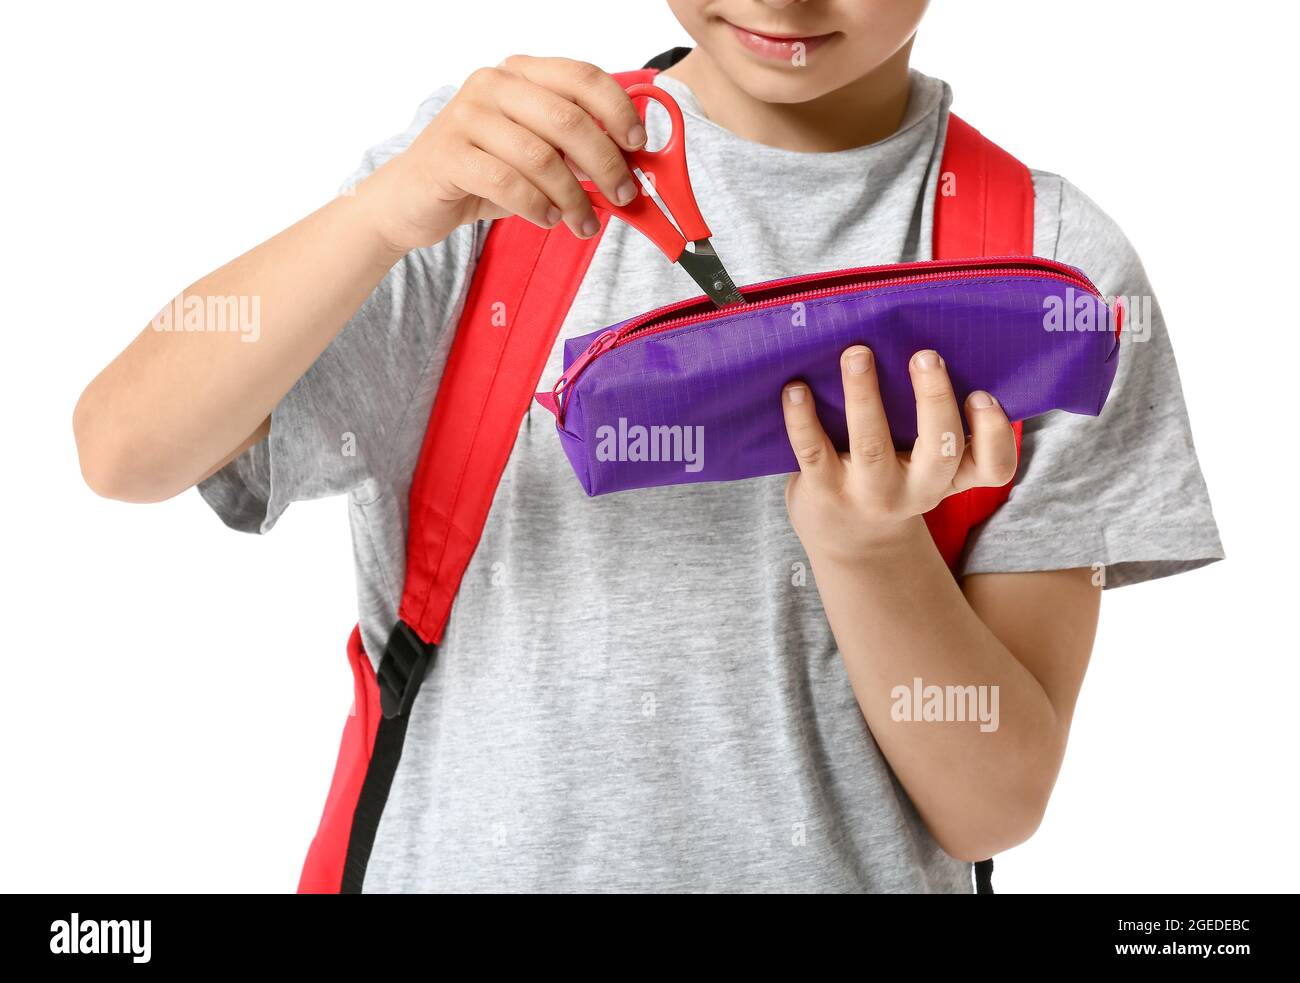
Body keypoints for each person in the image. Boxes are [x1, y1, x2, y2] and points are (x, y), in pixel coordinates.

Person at [72, 0, 1223, 892]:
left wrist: (870, 552)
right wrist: (385, 213)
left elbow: (992, 801)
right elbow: (123, 447)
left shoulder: (1050, 275)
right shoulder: (485, 185)